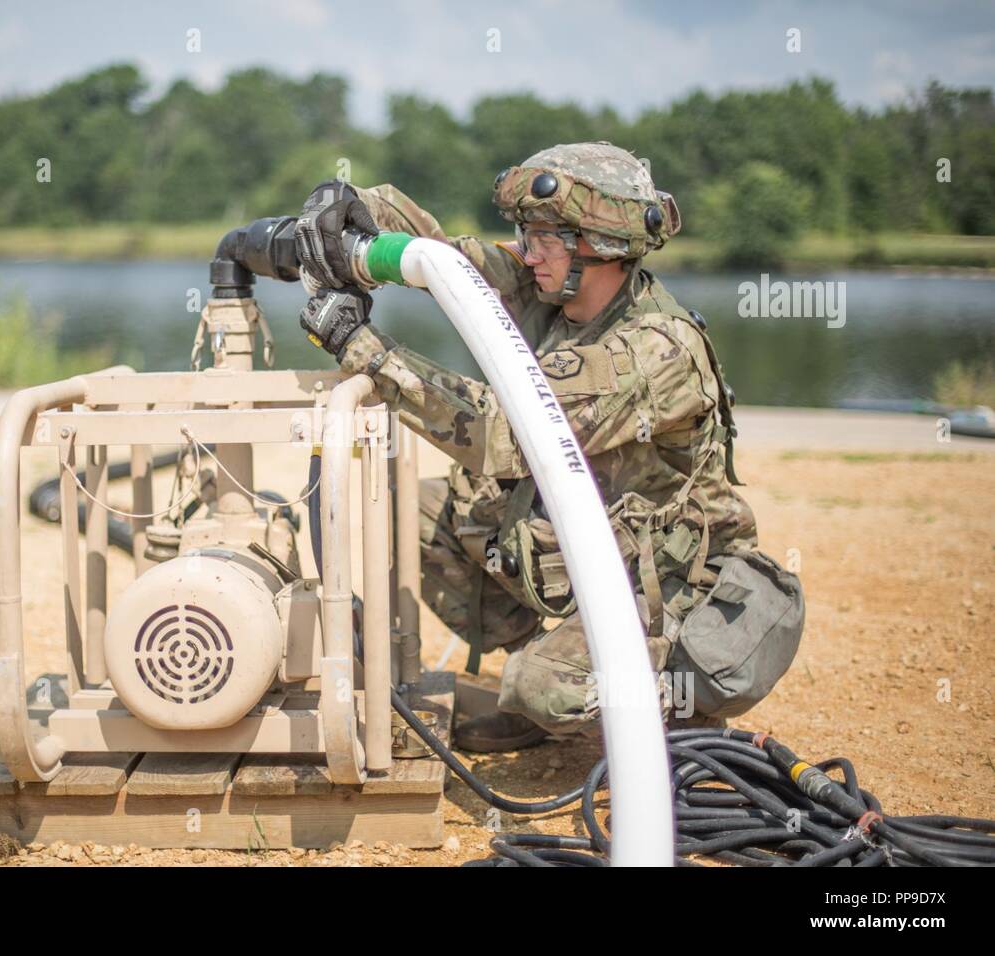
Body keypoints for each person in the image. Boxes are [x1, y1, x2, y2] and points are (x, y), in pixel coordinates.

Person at [292, 142, 805, 752]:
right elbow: (446, 261)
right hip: (598, 546)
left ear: (600, 246)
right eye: (525, 235)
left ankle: (674, 719)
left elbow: (505, 434)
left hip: (670, 582)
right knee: (422, 516)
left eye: (543, 238)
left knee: (545, 687)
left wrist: (363, 349)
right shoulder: (554, 288)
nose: (526, 252)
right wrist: (357, 207)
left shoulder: (653, 351)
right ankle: (542, 678)